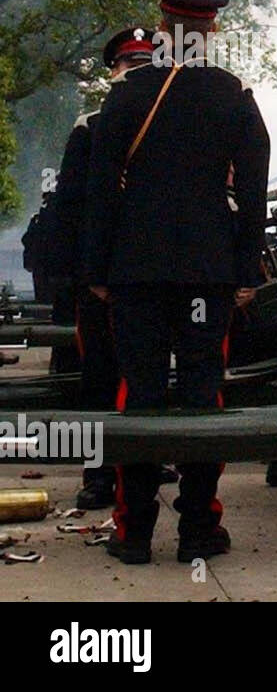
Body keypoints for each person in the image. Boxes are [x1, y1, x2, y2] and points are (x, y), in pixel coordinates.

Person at [84, 0, 270, 565]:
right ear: (211, 30)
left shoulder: (128, 93)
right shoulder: (233, 95)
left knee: (136, 394)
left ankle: (133, 530)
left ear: (162, 28)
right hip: (207, 273)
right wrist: (246, 272)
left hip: (136, 271)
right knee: (201, 393)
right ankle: (197, 528)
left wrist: (98, 269)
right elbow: (254, 192)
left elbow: (99, 190)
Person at [48, 28, 157, 509]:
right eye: (128, 67)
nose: (133, 74)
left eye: (142, 67)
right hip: (102, 277)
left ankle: (148, 461)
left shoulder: (168, 124)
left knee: (149, 376)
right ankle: (98, 474)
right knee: (99, 377)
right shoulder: (89, 127)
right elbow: (71, 207)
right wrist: (85, 276)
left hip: (149, 272)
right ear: (114, 73)